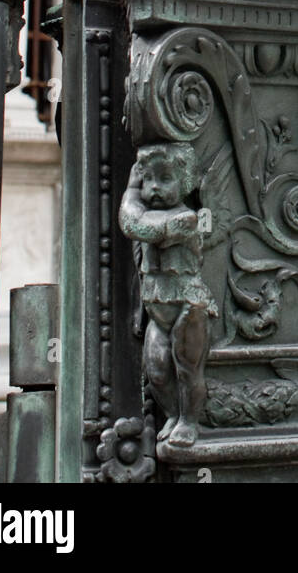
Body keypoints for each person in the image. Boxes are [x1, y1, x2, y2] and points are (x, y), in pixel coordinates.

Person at [118, 142, 215, 447]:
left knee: (187, 369)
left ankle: (189, 420)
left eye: (165, 179)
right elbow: (140, 260)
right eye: (148, 180)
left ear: (185, 183)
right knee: (157, 370)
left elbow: (136, 226)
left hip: (187, 306)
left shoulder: (185, 220)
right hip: (157, 309)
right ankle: (172, 414)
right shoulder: (151, 213)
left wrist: (132, 190)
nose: (155, 188)